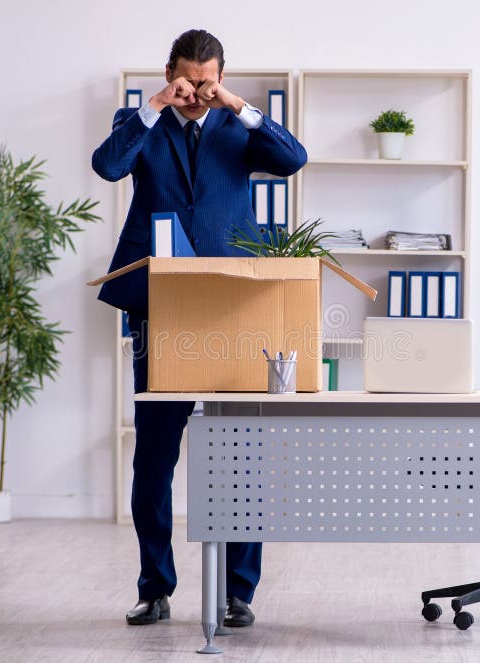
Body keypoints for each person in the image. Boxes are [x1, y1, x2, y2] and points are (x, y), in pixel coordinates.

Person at [91, 28, 308, 627]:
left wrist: (236, 104)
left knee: (243, 456)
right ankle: (155, 587)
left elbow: (293, 160)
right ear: (169, 74)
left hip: (234, 306)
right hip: (161, 308)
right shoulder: (140, 122)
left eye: (206, 82)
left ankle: (239, 593)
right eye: (186, 81)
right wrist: (156, 106)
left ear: (220, 77)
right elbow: (107, 166)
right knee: (154, 457)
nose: (195, 93)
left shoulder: (238, 126)